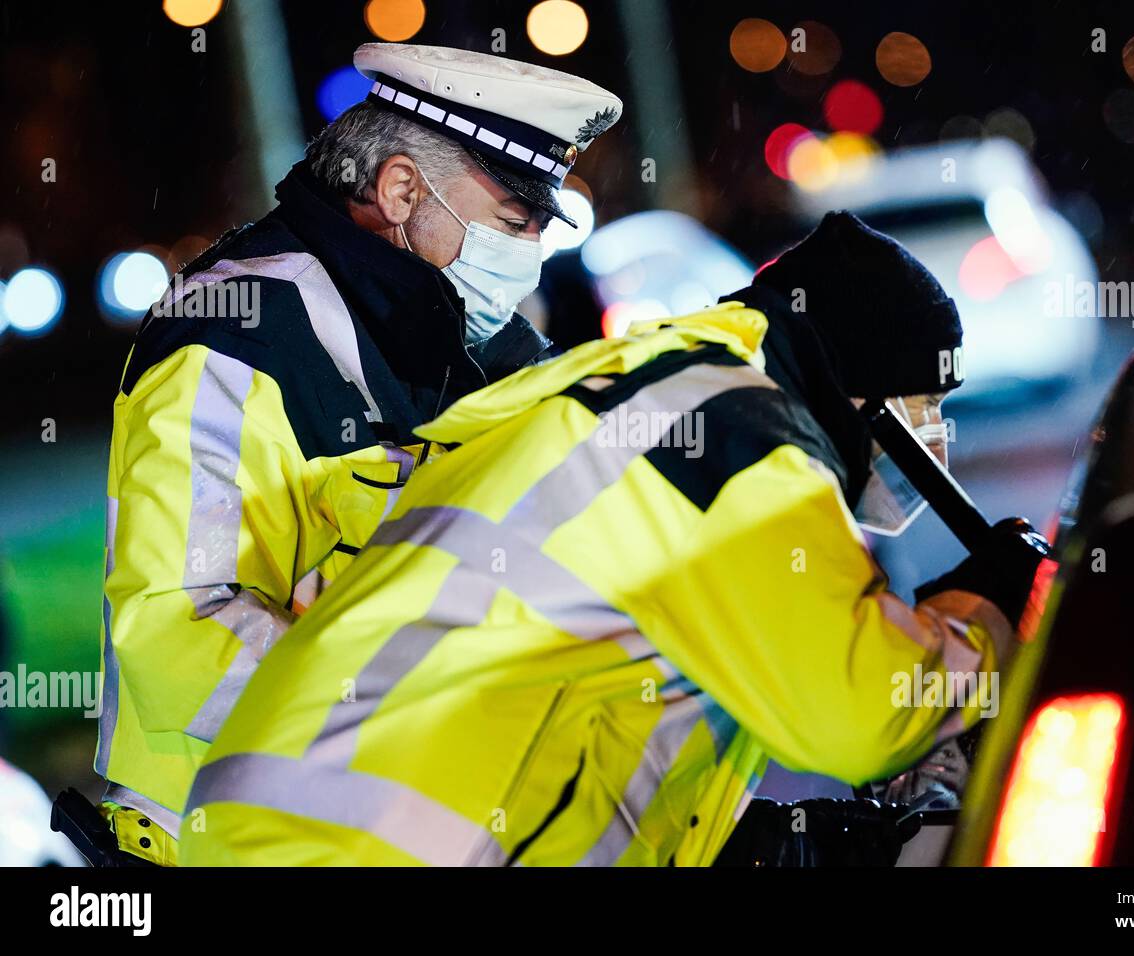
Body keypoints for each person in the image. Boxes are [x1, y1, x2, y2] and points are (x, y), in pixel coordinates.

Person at [180, 212, 1047, 866]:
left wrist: (779, 844)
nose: (930, 445)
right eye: (923, 412)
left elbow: (593, 707)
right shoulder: (732, 426)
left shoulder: (634, 393)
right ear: (859, 388)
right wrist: (982, 615)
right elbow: (860, 716)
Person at [84, 43, 622, 865]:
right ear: (403, 190)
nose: (530, 253)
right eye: (516, 222)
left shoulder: (467, 333)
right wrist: (424, 723)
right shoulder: (233, 337)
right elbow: (180, 626)